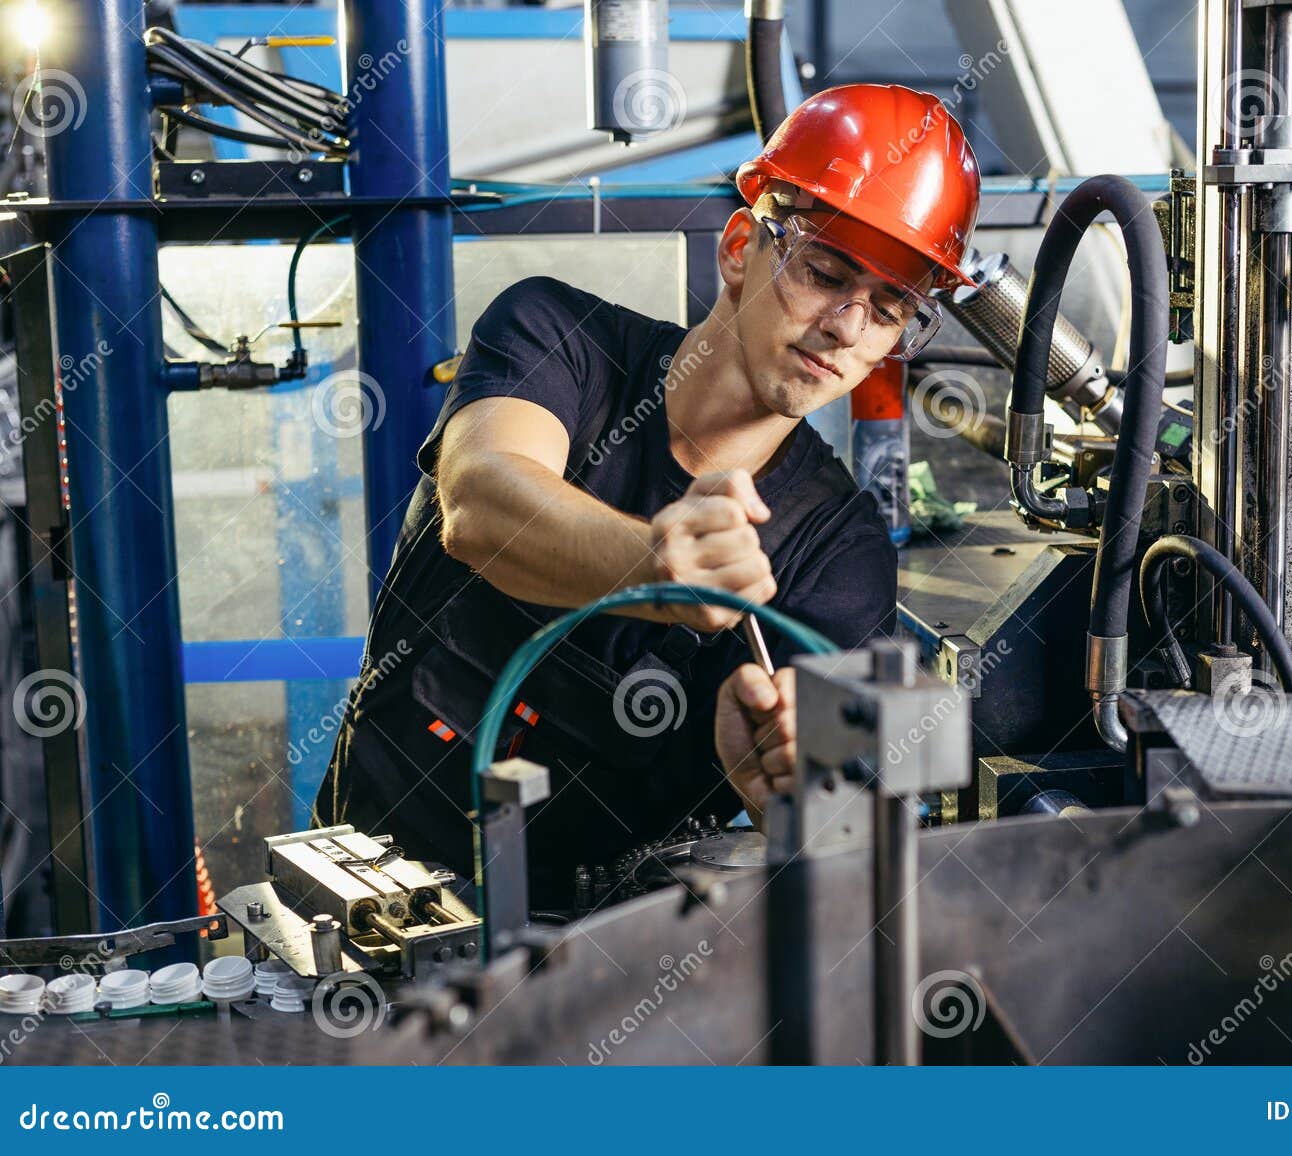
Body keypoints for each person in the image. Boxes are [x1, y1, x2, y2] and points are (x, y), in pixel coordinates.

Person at [314, 84, 981, 907]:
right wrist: (654, 563)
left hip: (602, 961)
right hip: (365, 887)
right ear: (740, 249)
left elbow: (840, 827)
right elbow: (479, 505)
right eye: (825, 272)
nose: (848, 328)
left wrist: (774, 785)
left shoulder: (838, 552)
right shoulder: (559, 338)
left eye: (888, 310)